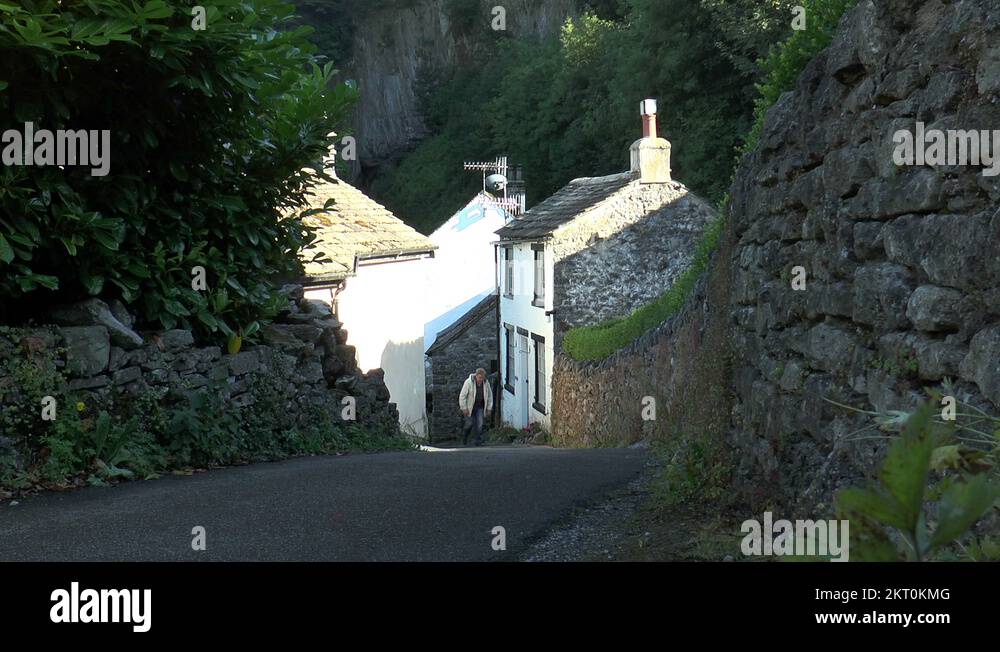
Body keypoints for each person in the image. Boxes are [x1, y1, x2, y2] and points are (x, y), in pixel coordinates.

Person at [459, 367, 493, 446]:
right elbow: (462, 396)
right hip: (469, 407)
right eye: (480, 377)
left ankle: (478, 441)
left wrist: (489, 408)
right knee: (469, 424)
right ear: (476, 376)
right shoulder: (468, 382)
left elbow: (490, 396)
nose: (481, 379)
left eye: (483, 377)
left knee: (480, 424)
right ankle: (465, 437)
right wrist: (464, 408)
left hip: (480, 407)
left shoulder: (486, 383)